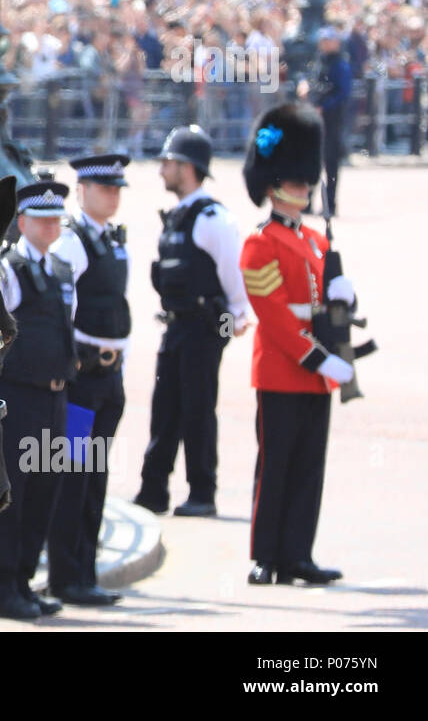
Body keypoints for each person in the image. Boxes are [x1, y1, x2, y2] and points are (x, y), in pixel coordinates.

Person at [240, 103, 352, 586]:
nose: (305, 188)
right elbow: (275, 316)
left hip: (319, 375)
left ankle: (297, 555)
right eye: (295, 180)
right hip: (284, 371)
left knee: (309, 469)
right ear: (272, 184)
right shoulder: (260, 243)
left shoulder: (317, 241)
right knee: (276, 466)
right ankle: (265, 556)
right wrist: (318, 357)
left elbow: (327, 306)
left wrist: (347, 294)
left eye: (308, 181)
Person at [137, 125, 250, 517]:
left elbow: (235, 277)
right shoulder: (179, 216)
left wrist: (233, 321)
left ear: (187, 167)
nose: (161, 170)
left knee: (198, 409)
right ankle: (154, 490)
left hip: (204, 327)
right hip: (175, 325)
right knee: (164, 408)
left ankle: (202, 491)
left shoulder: (213, 218)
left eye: (167, 162)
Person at [0, 181, 76, 621]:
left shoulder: (59, 269)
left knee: (45, 491)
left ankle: (23, 581)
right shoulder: (9, 269)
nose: (51, 225)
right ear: (22, 223)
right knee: (14, 495)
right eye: (42, 219)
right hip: (21, 400)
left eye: (56, 218)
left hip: (56, 399)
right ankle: (1, 587)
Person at [47, 154, 130, 606]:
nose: (112, 196)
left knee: (95, 477)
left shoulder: (115, 241)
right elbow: (61, 312)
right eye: (104, 188)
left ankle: (86, 572)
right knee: (73, 477)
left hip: (109, 380)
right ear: (82, 190)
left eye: (117, 188)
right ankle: (67, 577)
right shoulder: (72, 243)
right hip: (81, 381)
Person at [303, 27, 353, 216]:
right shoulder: (318, 60)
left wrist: (325, 106)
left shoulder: (341, 64)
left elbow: (343, 92)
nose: (324, 43)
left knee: (331, 163)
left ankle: (330, 205)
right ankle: (306, 202)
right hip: (315, 117)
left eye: (329, 40)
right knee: (311, 160)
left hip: (332, 119)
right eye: (323, 40)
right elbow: (310, 79)